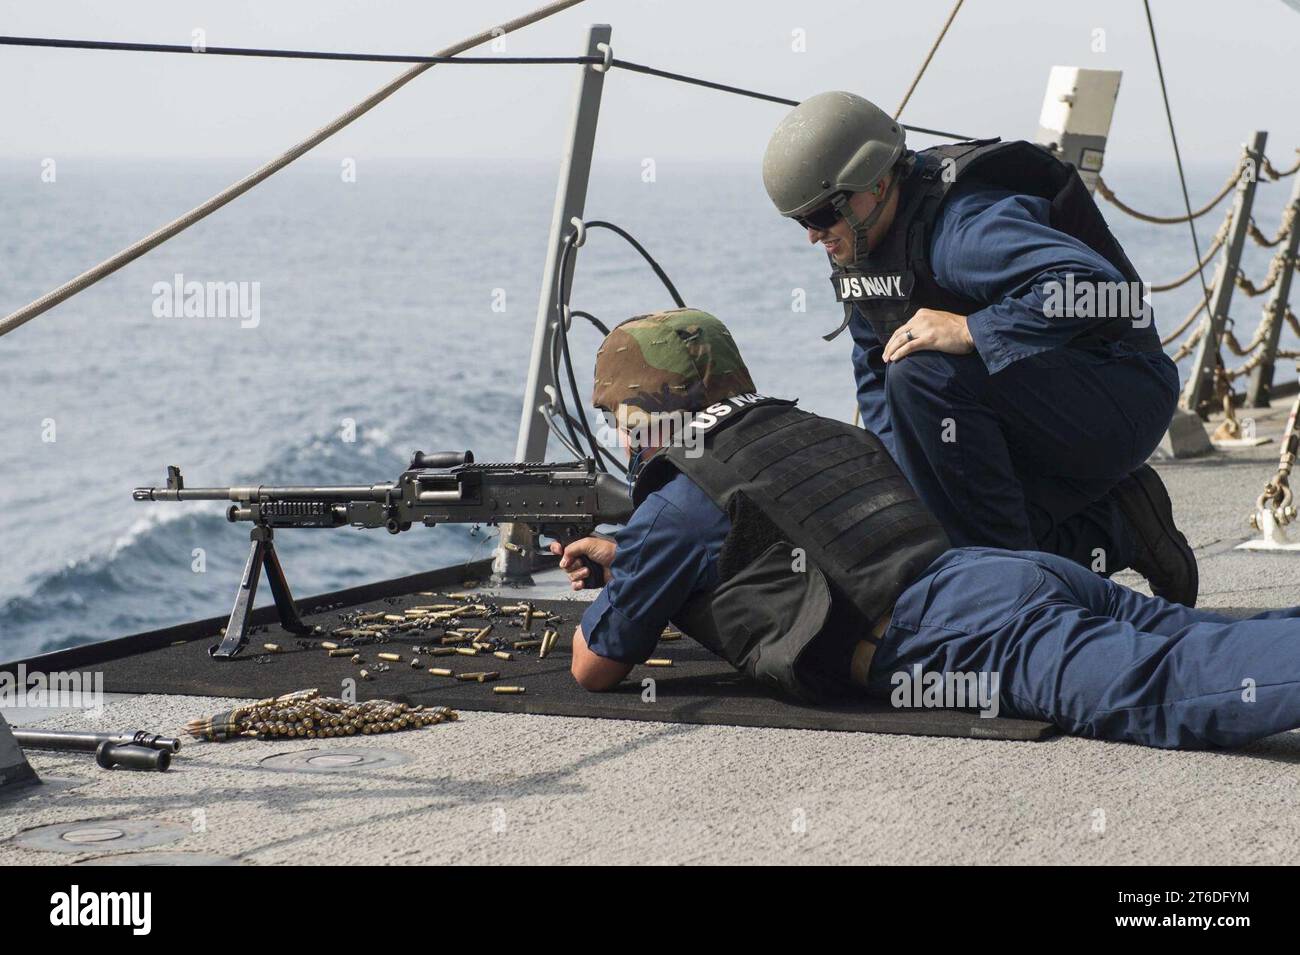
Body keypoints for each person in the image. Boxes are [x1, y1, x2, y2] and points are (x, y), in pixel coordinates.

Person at [552, 308, 1300, 750]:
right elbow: (790, 538)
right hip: (1010, 576)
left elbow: (596, 666)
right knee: (1210, 638)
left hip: (969, 633)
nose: (623, 436)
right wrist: (634, 555)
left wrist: (633, 561)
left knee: (1175, 688)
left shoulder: (678, 499)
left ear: (658, 409)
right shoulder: (808, 431)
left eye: (622, 417)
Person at [760, 91, 1197, 605]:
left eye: (822, 216)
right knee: (943, 539)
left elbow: (1095, 289)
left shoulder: (963, 228)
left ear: (875, 184)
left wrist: (973, 330)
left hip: (1121, 396)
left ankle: (1015, 605)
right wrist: (907, 506)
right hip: (1038, 406)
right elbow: (876, 371)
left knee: (922, 374)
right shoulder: (864, 246)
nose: (815, 237)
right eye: (802, 222)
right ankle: (1119, 524)